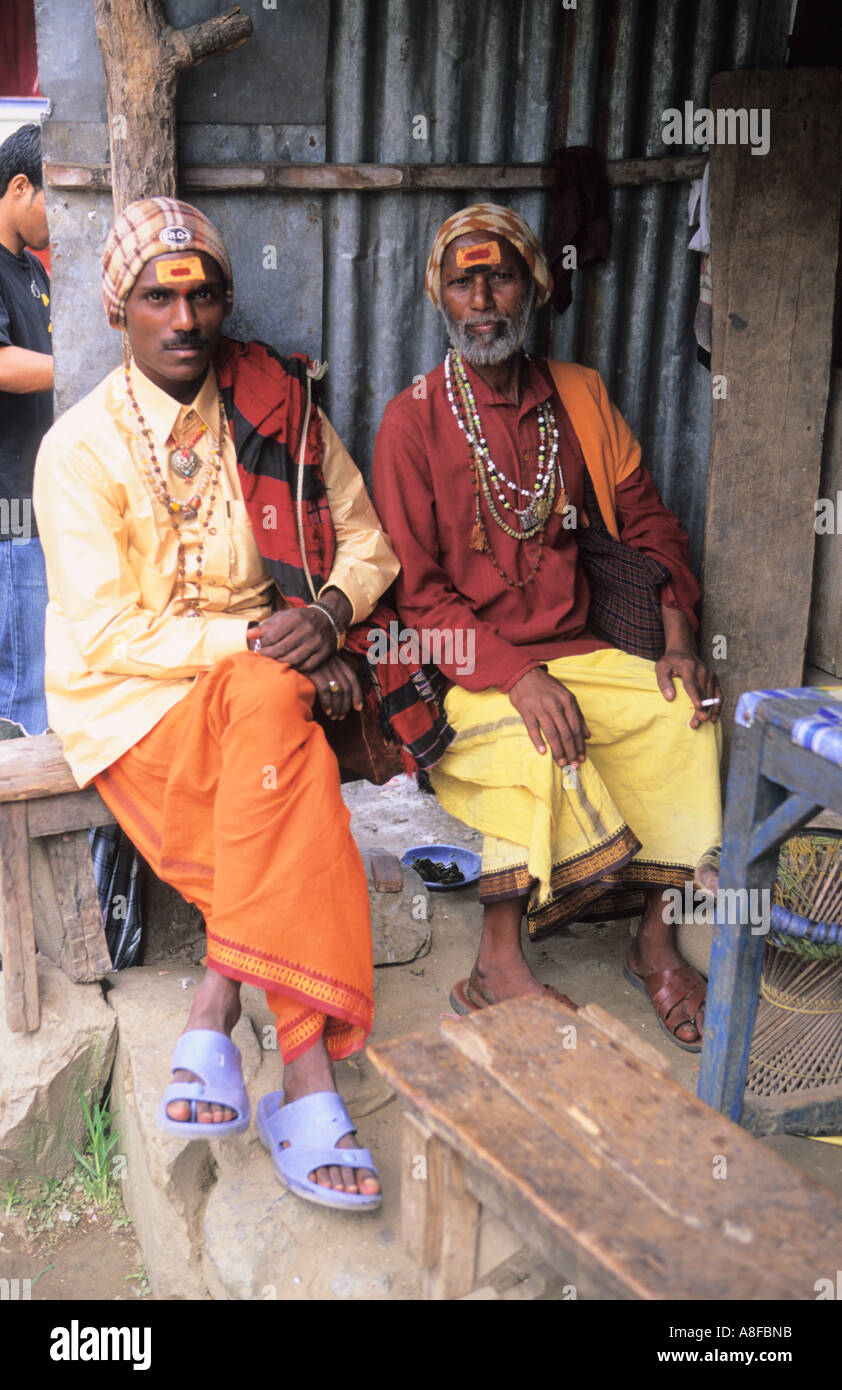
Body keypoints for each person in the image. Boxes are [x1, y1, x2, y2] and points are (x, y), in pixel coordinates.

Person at [34, 196, 402, 1209]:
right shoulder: (77, 451)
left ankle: (220, 1002)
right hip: (132, 704)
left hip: (263, 691)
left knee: (271, 717)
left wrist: (324, 615)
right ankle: (305, 1064)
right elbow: (107, 636)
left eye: (202, 297)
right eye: (160, 296)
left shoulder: (274, 415)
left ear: (223, 304)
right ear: (121, 312)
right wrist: (257, 642)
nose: (184, 320)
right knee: (282, 734)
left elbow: (371, 547)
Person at [372, 203, 723, 1051]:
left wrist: (676, 635)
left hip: (580, 648)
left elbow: (650, 525)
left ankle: (652, 941)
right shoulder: (410, 420)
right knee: (537, 745)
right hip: (462, 667)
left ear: (534, 288)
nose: (483, 298)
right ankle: (498, 963)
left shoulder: (579, 396)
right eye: (464, 280)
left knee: (685, 717)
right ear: (440, 298)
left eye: (501, 277)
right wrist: (517, 677)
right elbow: (418, 598)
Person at [0, 122, 52, 734]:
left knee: (36, 672)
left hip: (36, 504)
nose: (58, 218)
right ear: (20, 186)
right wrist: (90, 373)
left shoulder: (31, 272)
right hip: (8, 510)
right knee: (21, 694)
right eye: (53, 198)